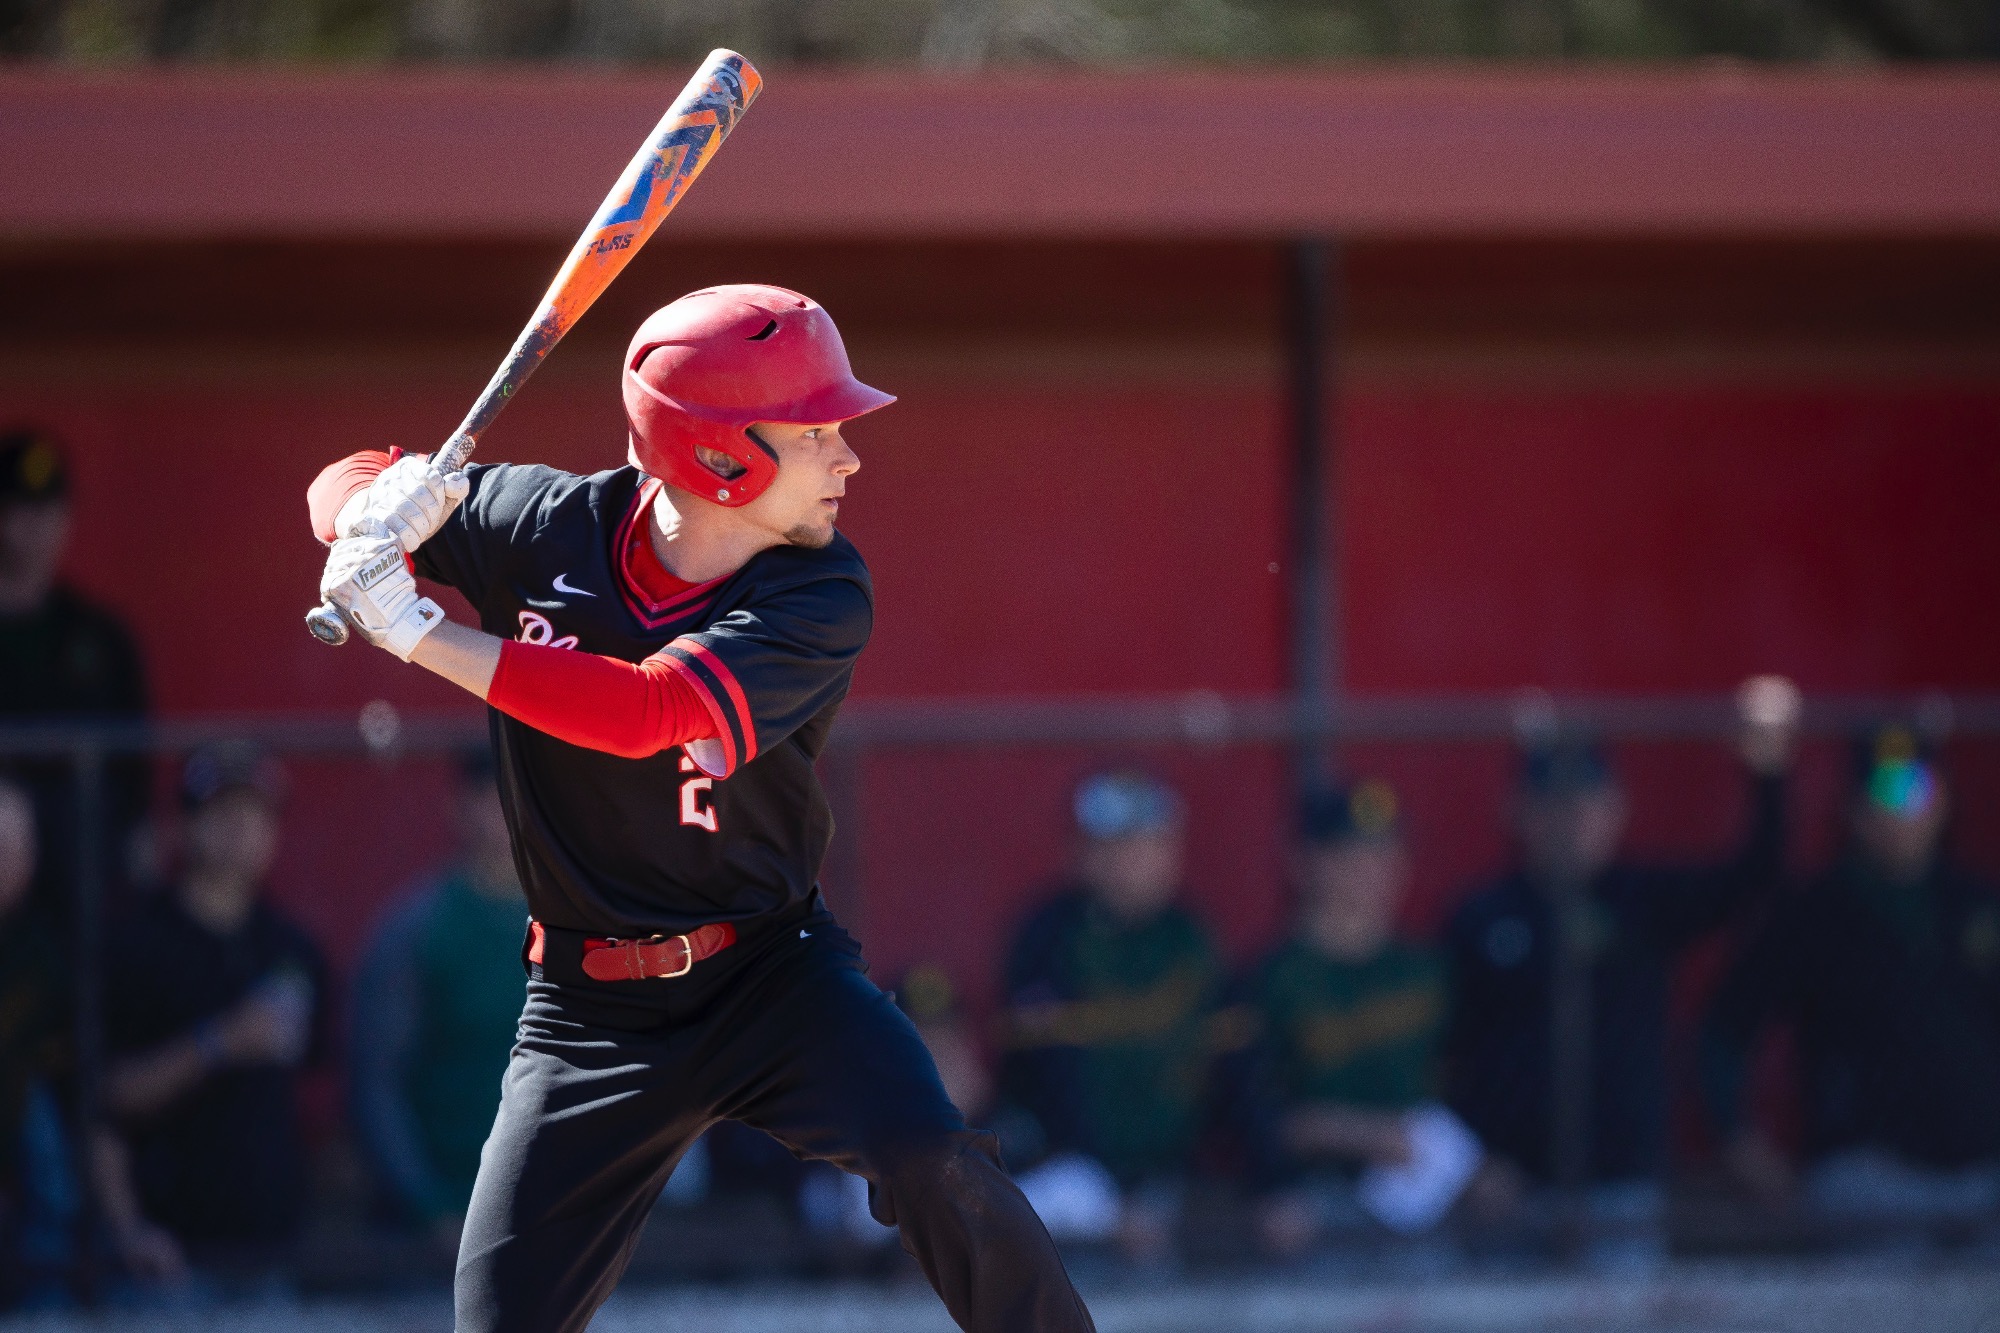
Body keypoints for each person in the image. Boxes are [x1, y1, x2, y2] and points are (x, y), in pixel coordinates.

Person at [306, 285, 1093, 1333]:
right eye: (816, 432)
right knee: (497, 1316)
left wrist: (418, 633)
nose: (847, 458)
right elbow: (334, 484)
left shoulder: (817, 591)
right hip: (591, 1009)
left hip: (771, 974)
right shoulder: (541, 522)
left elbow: (651, 711)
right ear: (724, 457)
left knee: (934, 1161)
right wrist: (377, 505)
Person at [1441, 678, 1798, 1250]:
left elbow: (1755, 876)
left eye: (1586, 800)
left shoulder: (1644, 900)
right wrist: (1467, 1163)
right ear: (1519, 811)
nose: (1571, 817)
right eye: (1553, 801)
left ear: (1615, 808)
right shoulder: (1480, 915)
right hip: (1510, 1193)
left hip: (1622, 1187)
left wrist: (1768, 766)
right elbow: (1443, 1054)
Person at [1701, 725, 2000, 1229]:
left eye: (1912, 791)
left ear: (1942, 798)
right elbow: (1723, 1031)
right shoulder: (1816, 912)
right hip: (1868, 1176)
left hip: (1984, 1173)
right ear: (1853, 808)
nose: (1897, 811)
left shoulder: (1977, 905)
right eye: (1880, 794)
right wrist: (1742, 1144)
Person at [96, 747, 330, 1279]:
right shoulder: (135, 944)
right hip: (166, 1259)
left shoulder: (293, 949)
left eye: (257, 813)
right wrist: (216, 1043)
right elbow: (103, 1099)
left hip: (274, 1255)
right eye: (222, 811)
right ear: (185, 825)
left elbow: (321, 1103)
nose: (240, 828)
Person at [1227, 779, 1479, 1256]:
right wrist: (1364, 1134)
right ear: (1305, 863)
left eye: (1384, 855)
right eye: (1349, 856)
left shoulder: (1425, 968)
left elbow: (1468, 1082)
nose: (1371, 872)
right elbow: (1253, 1113)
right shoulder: (1270, 978)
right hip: (1315, 1210)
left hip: (1427, 1202)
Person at [999, 770, 1223, 1263]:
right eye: (1112, 846)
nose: (1129, 862)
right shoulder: (1047, 937)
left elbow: (1226, 1065)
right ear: (1081, 853)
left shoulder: (1191, 937)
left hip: (1176, 1173)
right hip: (1076, 1180)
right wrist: (1112, 1197)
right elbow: (1046, 1077)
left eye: (1145, 845)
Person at [350, 752, 526, 1251]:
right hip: (436, 1224)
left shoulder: (576, 927)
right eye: (490, 798)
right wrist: (429, 1207)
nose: (507, 812)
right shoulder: (416, 931)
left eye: (520, 795)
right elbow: (376, 1085)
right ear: (459, 809)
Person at [0, 427, 151, 912]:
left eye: (51, 510)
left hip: (84, 870)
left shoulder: (100, 637)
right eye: (22, 509)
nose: (37, 527)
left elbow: (136, 770)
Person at [0, 773, 78, 1308]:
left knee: (39, 1119)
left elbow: (58, 1051)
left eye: (15, 848)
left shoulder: (43, 949)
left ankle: (48, 1303)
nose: (5, 862)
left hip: (16, 1113)